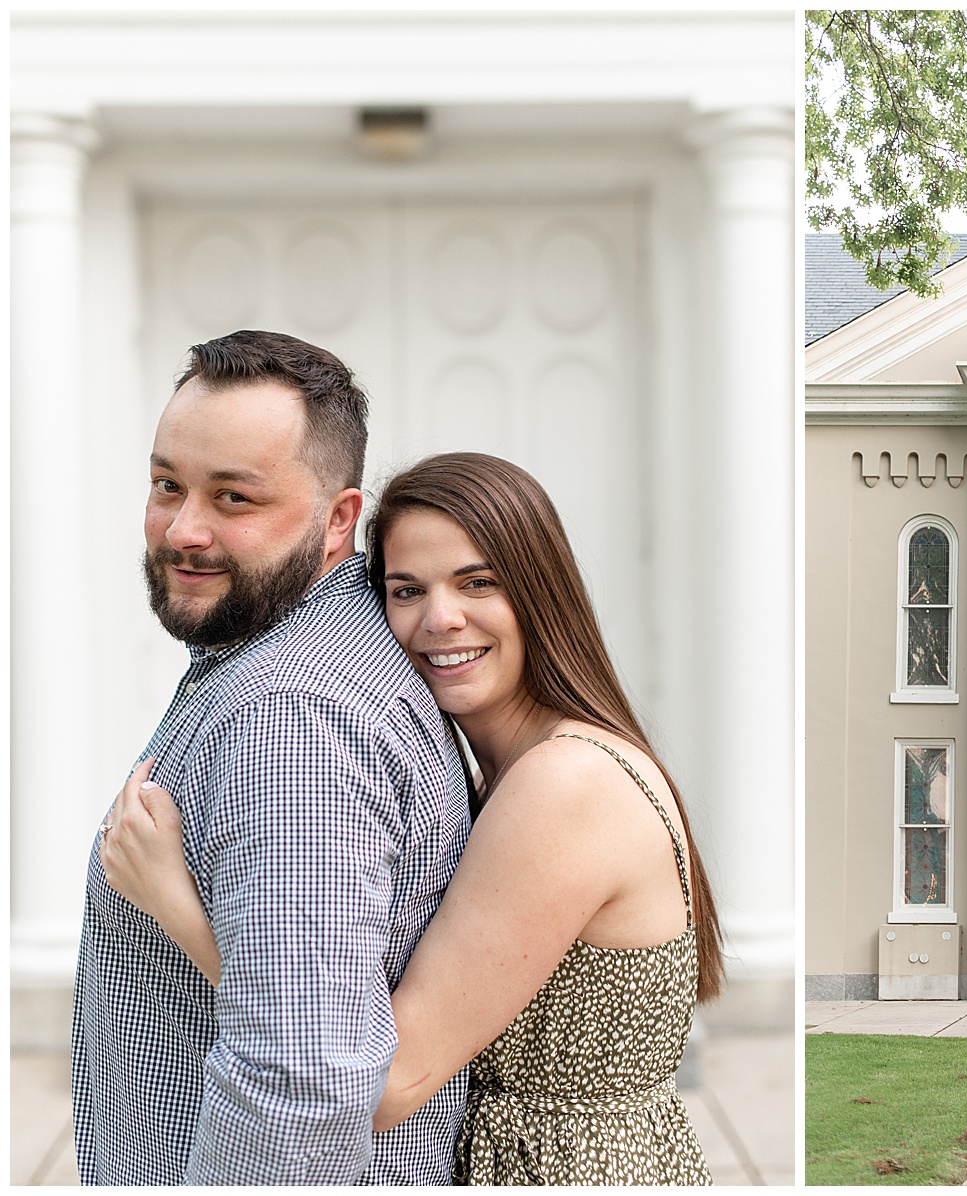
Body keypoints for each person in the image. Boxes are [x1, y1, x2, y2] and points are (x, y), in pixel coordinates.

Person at [103, 450, 723, 1185]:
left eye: (477, 583)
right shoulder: (521, 769)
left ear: (541, 591)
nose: (439, 619)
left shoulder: (565, 784)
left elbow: (387, 1082)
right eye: (406, 590)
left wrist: (176, 906)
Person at [73, 330, 473, 1184]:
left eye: (234, 499)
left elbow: (299, 1078)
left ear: (338, 520)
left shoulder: (291, 721)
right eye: (167, 485)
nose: (184, 529)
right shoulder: (291, 647)